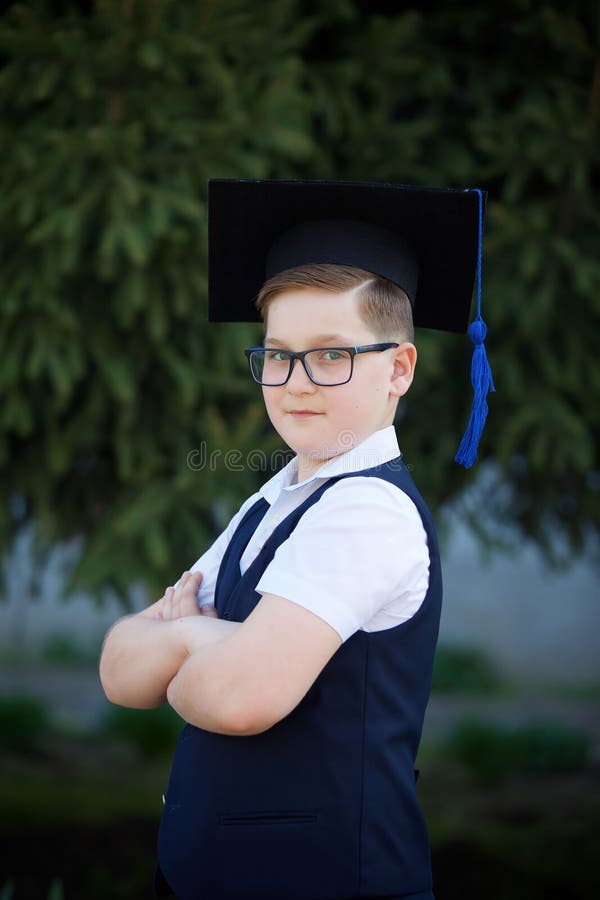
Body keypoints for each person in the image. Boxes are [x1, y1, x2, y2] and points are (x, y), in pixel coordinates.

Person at [99, 179, 490, 900]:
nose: (296, 383)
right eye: (277, 355)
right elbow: (120, 671)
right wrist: (211, 645)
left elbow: (238, 694)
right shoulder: (271, 498)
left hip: (325, 881)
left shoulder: (368, 511)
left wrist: (184, 635)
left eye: (331, 355)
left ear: (399, 368)